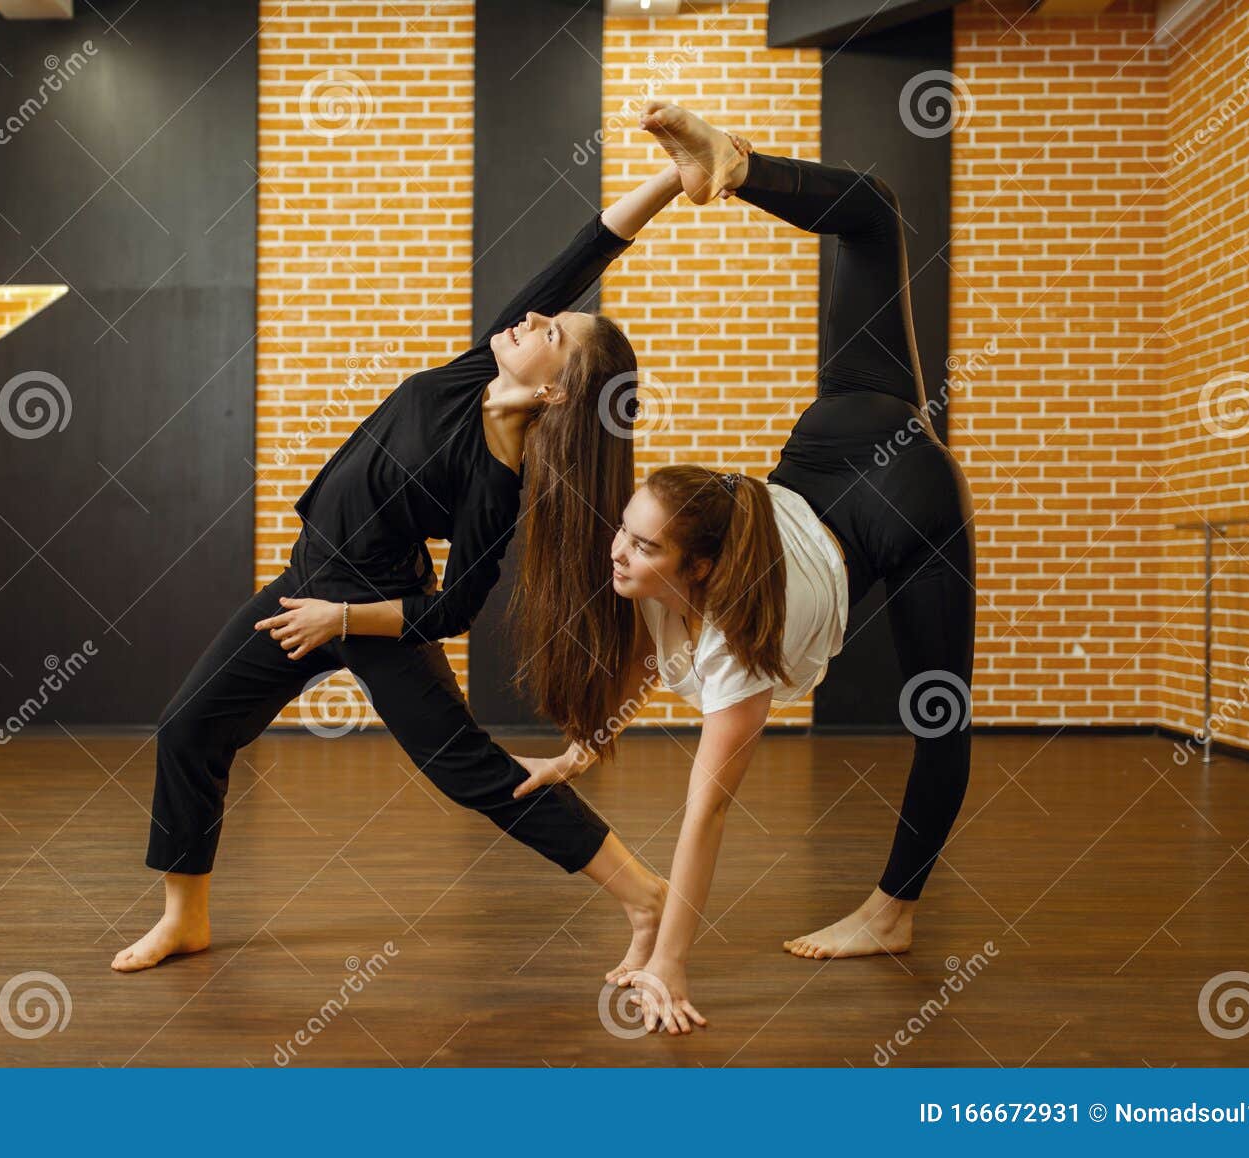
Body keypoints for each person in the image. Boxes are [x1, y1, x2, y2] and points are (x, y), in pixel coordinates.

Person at [113, 162, 691, 975]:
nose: (532, 317)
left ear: (557, 393)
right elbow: (588, 249)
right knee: (189, 729)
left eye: (552, 333)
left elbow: (452, 611)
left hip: (371, 614)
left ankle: (645, 894)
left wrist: (340, 622)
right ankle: (185, 917)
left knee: (471, 773)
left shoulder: (499, 479)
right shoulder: (474, 375)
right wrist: (674, 176)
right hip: (301, 587)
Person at [513, 102, 977, 1033]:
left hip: (904, 498)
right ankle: (727, 165)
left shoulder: (738, 666)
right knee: (877, 217)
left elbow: (703, 820)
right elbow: (646, 656)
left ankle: (892, 912)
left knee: (940, 714)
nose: (619, 551)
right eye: (628, 534)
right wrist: (584, 746)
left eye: (643, 545)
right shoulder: (644, 574)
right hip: (827, 454)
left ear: (701, 565)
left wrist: (668, 968)